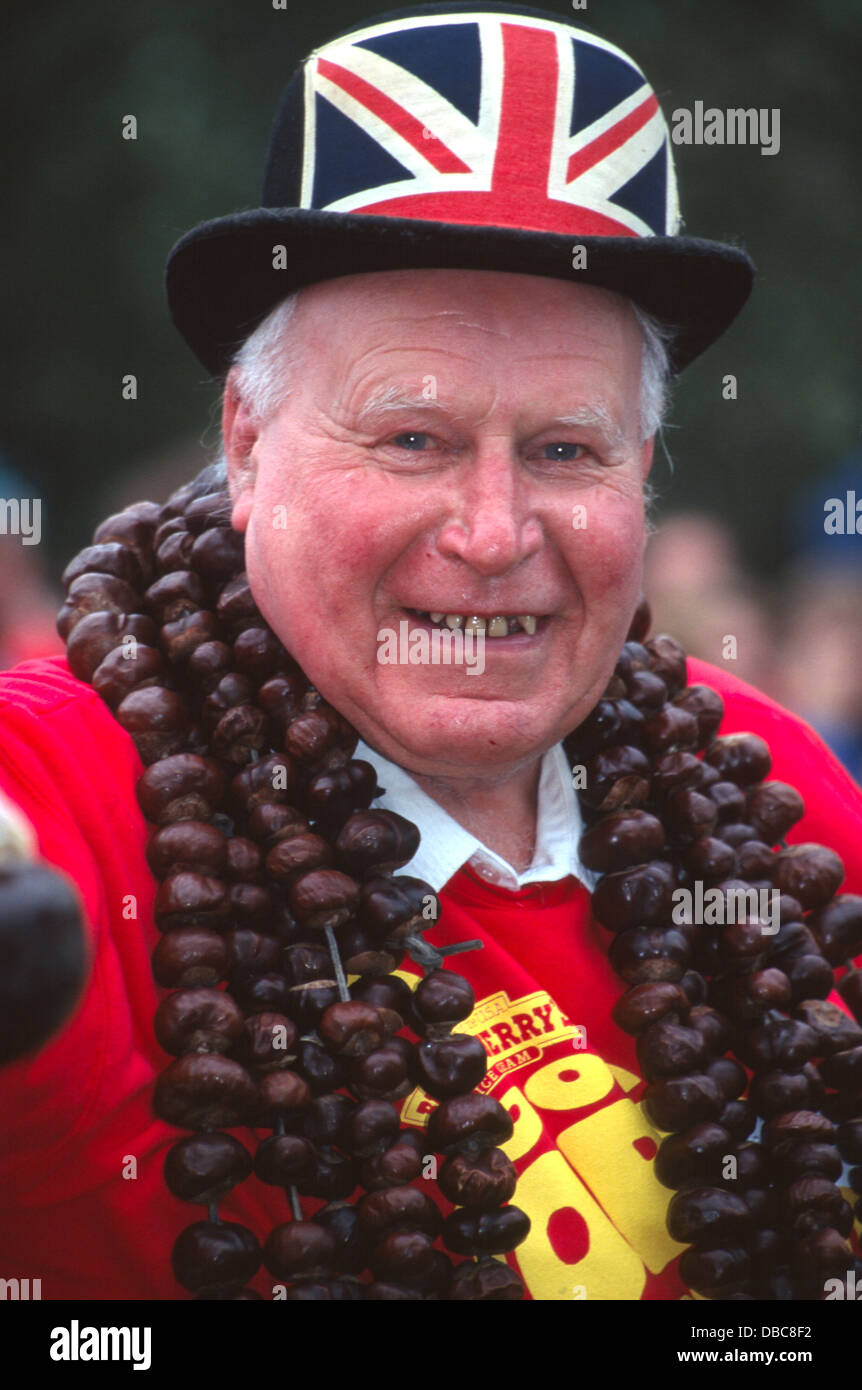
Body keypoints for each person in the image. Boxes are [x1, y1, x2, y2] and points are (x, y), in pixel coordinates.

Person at [2, 2, 862, 1304]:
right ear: (242, 443)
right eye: (411, 438)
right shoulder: (58, 782)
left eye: (567, 449)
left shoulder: (764, 777)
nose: (489, 532)